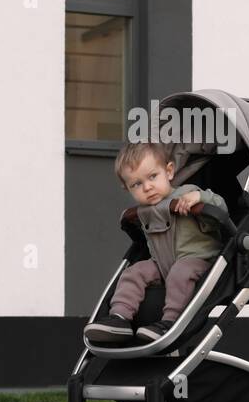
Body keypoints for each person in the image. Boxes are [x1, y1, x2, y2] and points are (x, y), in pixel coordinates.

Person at [84, 142, 229, 345]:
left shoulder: (186, 193)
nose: (147, 187)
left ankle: (170, 321)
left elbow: (220, 206)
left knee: (181, 271)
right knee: (134, 272)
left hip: (201, 261)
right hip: (163, 264)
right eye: (136, 184)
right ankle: (119, 318)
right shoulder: (145, 212)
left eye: (153, 176)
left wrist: (199, 197)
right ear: (127, 188)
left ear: (168, 171)